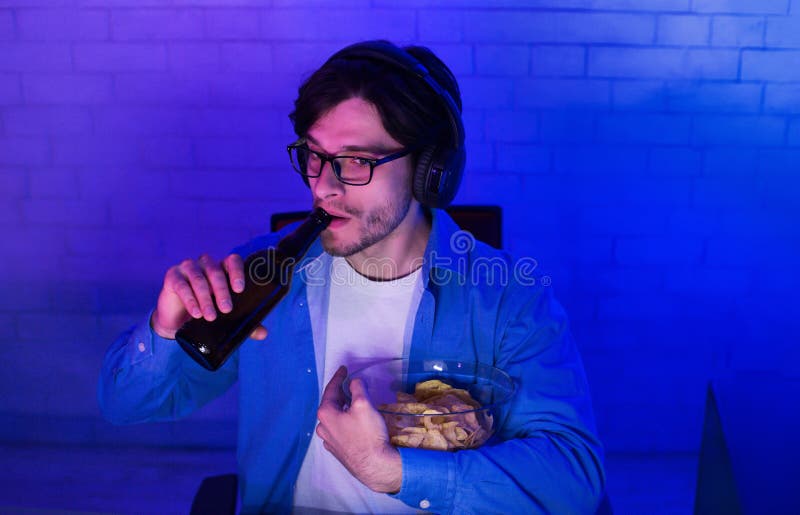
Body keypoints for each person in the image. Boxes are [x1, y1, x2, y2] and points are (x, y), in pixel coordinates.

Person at [98, 40, 606, 514]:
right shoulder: (262, 271)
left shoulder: (508, 297)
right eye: (314, 155)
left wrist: (394, 471)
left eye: (357, 161)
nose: (324, 187)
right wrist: (165, 331)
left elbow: (574, 480)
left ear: (429, 170)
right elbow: (126, 405)